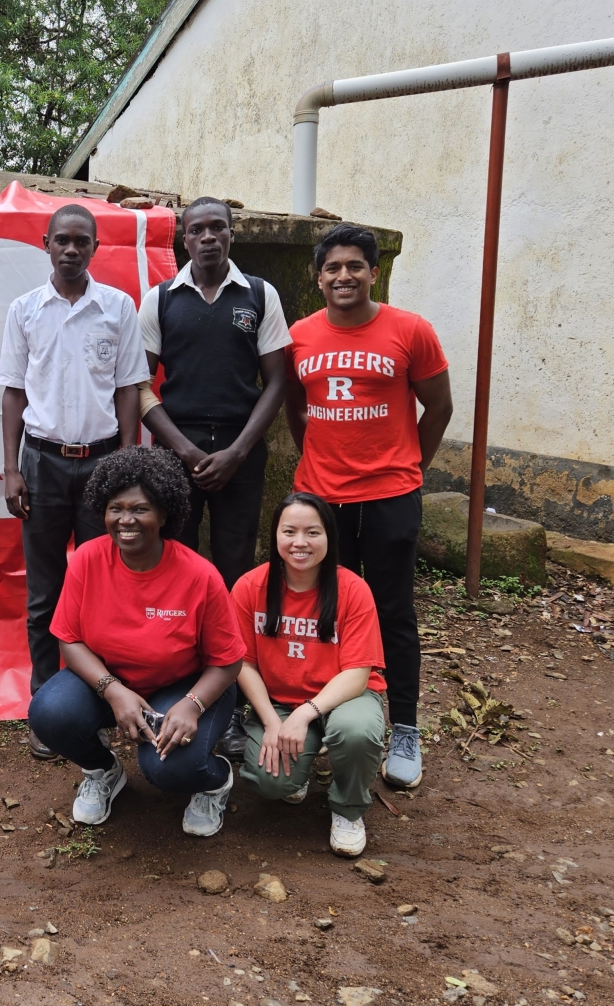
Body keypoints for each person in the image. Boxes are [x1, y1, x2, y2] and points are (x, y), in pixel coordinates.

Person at [283, 223, 452, 790]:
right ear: (319, 277)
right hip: (321, 502)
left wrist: (410, 470)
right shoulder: (300, 336)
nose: (343, 276)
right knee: (322, 611)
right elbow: (295, 410)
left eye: (354, 265)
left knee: (391, 614)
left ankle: (402, 725)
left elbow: (440, 407)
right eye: (332, 268)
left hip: (388, 498)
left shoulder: (410, 330)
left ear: (373, 272)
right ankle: (326, 718)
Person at [27, 447, 243, 837]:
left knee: (168, 769)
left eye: (140, 509)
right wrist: (112, 690)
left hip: (187, 689)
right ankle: (102, 770)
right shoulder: (88, 560)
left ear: (164, 514)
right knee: (50, 712)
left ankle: (214, 782)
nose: (125, 520)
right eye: (115, 508)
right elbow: (69, 640)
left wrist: (192, 705)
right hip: (112, 681)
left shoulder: (200, 576)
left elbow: (228, 661)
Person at [0, 204, 148, 759]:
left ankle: (102, 699)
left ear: (94, 247)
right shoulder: (25, 311)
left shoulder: (117, 307)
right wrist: (12, 468)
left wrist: (130, 467)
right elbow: (14, 390)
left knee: (103, 588)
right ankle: (45, 702)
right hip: (41, 461)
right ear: (45, 243)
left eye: (80, 241)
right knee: (44, 591)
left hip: (103, 463)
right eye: (61, 240)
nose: (70, 249)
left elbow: (130, 387)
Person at [139, 197, 290, 586]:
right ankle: (181, 642)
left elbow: (277, 381)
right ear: (184, 240)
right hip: (176, 449)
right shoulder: (161, 299)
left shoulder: (259, 294)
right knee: (176, 556)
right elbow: (138, 385)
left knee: (235, 557)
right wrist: (185, 451)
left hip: (241, 447)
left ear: (231, 234)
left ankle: (232, 645)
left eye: (217, 228)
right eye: (196, 230)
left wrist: (237, 452)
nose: (208, 237)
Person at [231, 492, 388, 857]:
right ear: (275, 537)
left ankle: (348, 809)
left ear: (329, 538)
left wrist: (306, 713)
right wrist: (271, 721)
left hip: (344, 697)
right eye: (289, 531)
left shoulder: (352, 589)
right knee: (270, 782)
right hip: (281, 701)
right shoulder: (249, 587)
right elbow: (244, 664)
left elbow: (357, 673)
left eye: (312, 533)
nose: (300, 543)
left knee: (354, 731)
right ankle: (296, 773)